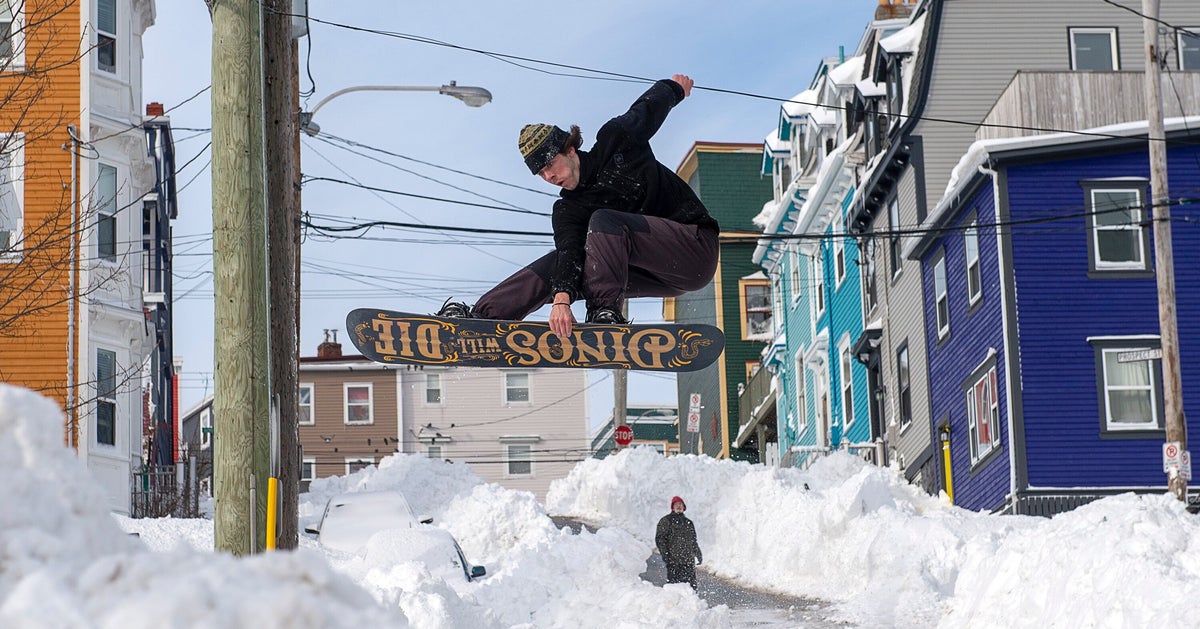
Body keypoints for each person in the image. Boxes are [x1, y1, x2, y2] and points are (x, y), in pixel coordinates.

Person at [438, 74, 720, 339]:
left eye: (550, 164)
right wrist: (561, 301)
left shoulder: (617, 141)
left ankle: (605, 312)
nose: (549, 176)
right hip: (656, 275)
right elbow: (569, 255)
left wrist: (674, 88)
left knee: (604, 221)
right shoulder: (568, 210)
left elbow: (646, 110)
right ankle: (481, 318)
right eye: (540, 173)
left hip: (693, 249)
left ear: (570, 149)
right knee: (559, 262)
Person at [655, 495, 702, 590]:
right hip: (674, 561)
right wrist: (665, 554)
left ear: (684, 507)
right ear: (672, 507)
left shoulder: (689, 523)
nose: (678, 506)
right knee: (675, 588)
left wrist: (698, 553)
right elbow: (660, 539)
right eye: (676, 504)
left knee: (690, 589)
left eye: (680, 504)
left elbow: (693, 541)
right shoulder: (666, 521)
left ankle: (691, 605)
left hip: (688, 561)